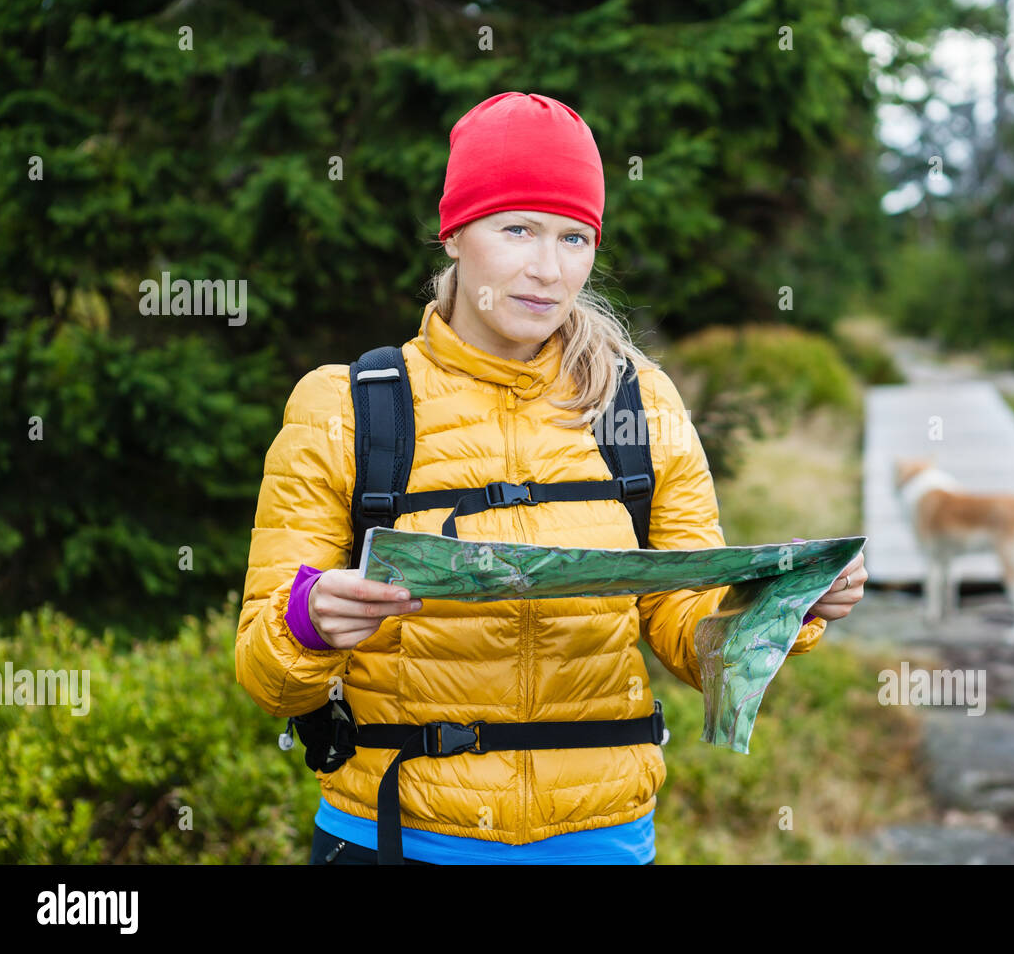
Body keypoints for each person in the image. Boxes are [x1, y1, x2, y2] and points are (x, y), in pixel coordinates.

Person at [234, 91, 868, 865]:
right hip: (394, 831)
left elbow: (686, 636)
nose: (548, 269)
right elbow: (269, 680)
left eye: (574, 237)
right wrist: (307, 622)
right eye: (518, 229)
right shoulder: (344, 406)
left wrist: (786, 602)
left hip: (599, 839)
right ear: (457, 234)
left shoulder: (639, 400)